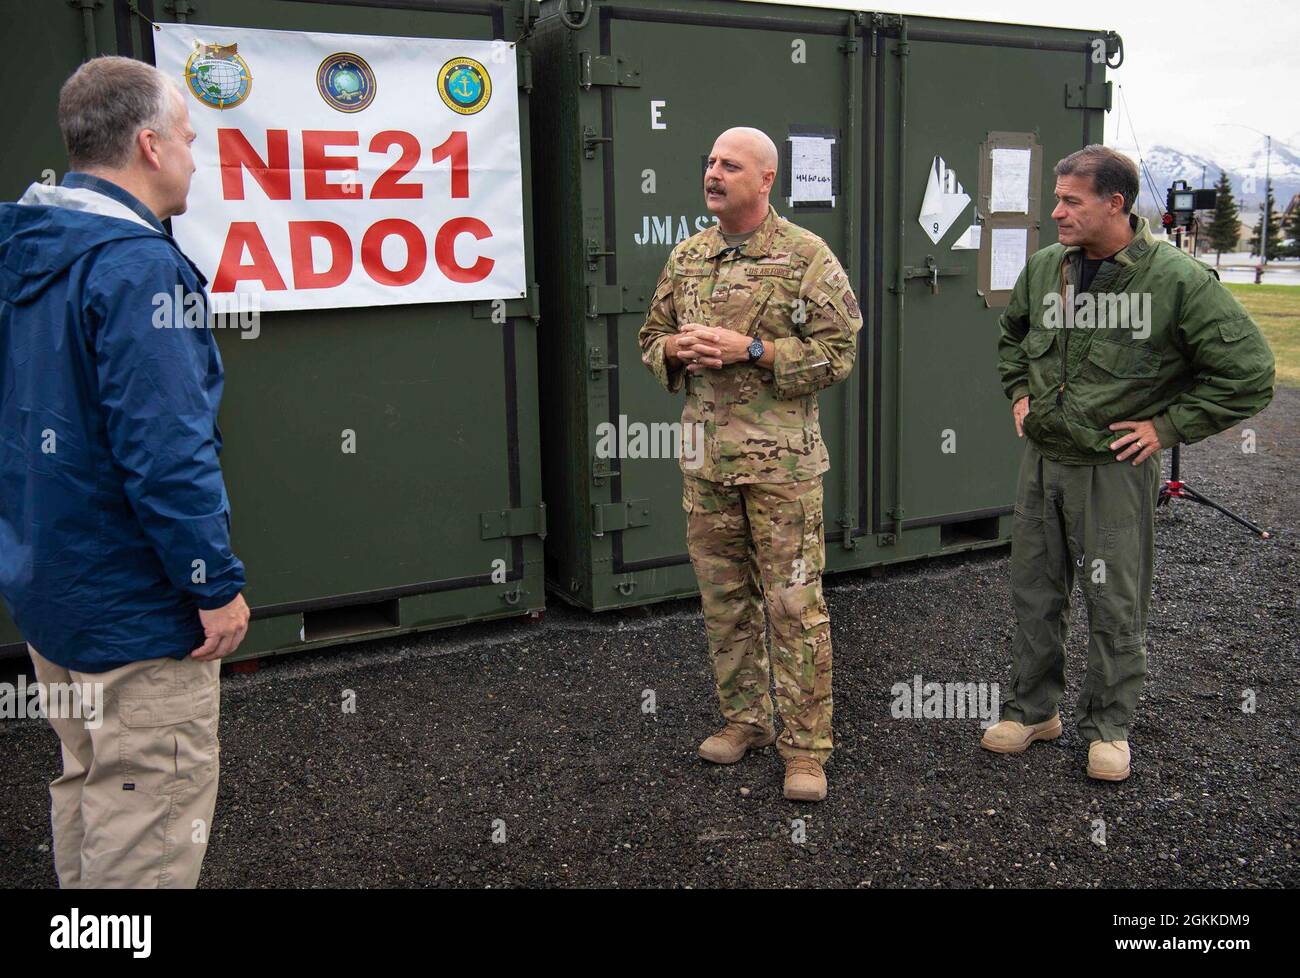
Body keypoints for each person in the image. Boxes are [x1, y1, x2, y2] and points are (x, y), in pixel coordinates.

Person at [0, 56, 249, 886]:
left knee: (90, 784)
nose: (193, 156)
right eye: (188, 137)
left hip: (53, 595)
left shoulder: (27, 253)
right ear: (149, 144)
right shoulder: (138, 266)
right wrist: (212, 580)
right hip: (136, 614)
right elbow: (167, 453)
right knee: (147, 818)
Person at [984, 144, 1274, 780]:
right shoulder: (1045, 270)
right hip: (1043, 461)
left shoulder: (1175, 280)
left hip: (1111, 469)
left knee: (1113, 600)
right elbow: (1013, 335)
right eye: (1056, 198)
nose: (1055, 211)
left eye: (1070, 200)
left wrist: (1167, 427)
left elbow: (1250, 374)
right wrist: (1021, 392)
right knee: (1035, 593)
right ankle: (1034, 711)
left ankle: (1109, 727)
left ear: (1115, 203)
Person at [638, 127, 862, 802]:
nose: (713, 173)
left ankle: (806, 750)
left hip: (781, 471)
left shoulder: (803, 257)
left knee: (795, 608)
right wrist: (677, 349)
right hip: (707, 467)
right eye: (709, 162)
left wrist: (754, 350)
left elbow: (839, 355)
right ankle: (746, 721)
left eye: (729, 165)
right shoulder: (687, 257)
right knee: (724, 603)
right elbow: (651, 339)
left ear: (766, 179)